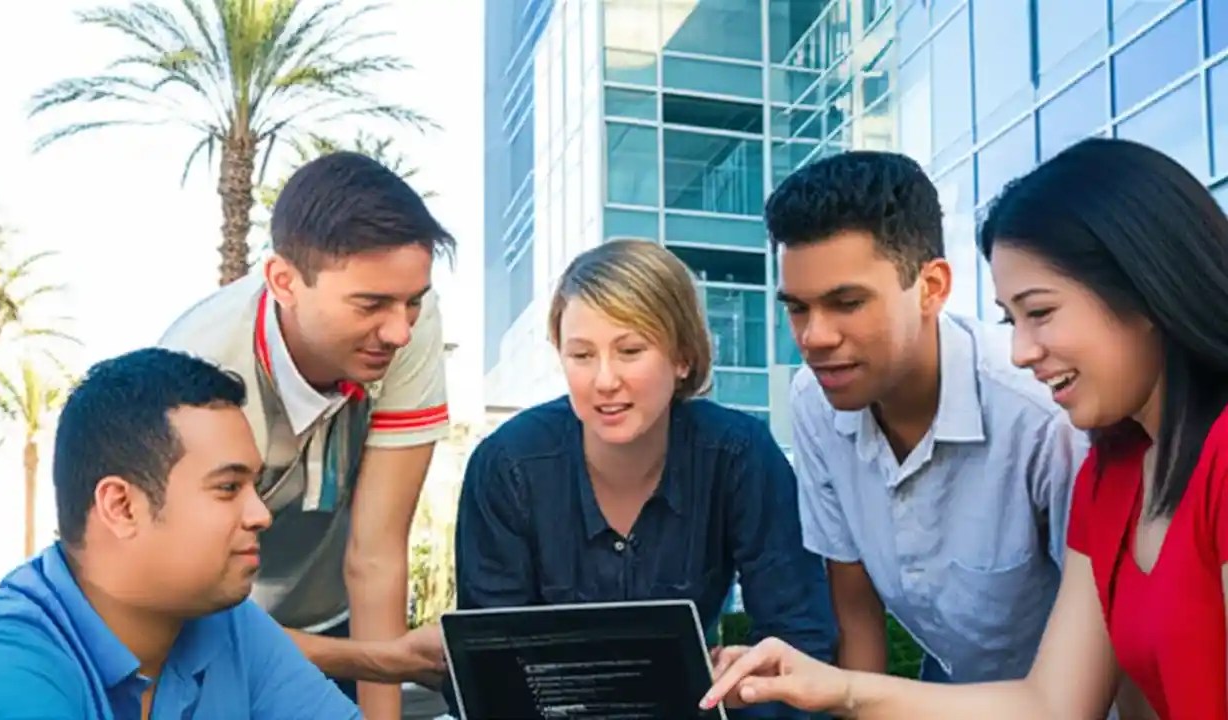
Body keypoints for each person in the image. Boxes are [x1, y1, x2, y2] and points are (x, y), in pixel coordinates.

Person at [701, 137, 1228, 719]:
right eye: (1010, 318)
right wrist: (833, 687)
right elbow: (1053, 704)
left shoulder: (1053, 423)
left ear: (1147, 289)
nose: (1022, 350)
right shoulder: (1112, 473)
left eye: (1041, 313)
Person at [452, 239, 837, 718]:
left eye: (630, 350)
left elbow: (800, 637)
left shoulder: (739, 456)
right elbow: (493, 667)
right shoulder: (507, 466)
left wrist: (748, 685)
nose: (604, 380)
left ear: (682, 358)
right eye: (581, 355)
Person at [770, 149, 1088, 686]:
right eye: (796, 307)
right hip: (947, 677)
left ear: (932, 288)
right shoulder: (814, 401)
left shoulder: (1040, 416)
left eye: (846, 302)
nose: (813, 338)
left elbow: (1106, 644)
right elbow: (856, 611)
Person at [157, 150, 455, 714]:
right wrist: (379, 658)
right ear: (284, 281)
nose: (398, 330)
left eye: (412, 302)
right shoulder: (198, 368)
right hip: (208, 636)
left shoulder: (410, 325)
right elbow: (189, 605)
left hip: (336, 623)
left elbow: (376, 553)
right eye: (370, 304)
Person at [0, 348, 360, 719]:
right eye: (228, 488)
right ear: (121, 507)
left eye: (256, 484)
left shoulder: (230, 627)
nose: (261, 514)